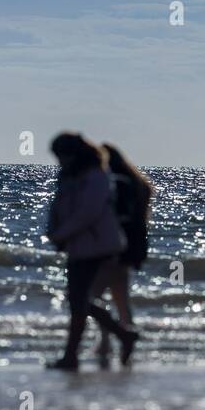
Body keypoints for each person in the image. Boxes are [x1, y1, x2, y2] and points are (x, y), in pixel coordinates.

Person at [44, 133, 126, 371]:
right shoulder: (69, 177)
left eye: (62, 156)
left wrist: (62, 234)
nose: (59, 161)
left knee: (78, 300)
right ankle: (120, 335)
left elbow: (88, 212)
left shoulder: (95, 177)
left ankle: (72, 355)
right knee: (78, 301)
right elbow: (59, 206)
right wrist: (53, 231)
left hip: (97, 246)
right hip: (78, 245)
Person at [96, 142, 153, 367]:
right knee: (121, 298)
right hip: (129, 249)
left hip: (111, 247)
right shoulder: (136, 184)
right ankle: (120, 340)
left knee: (95, 298)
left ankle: (109, 341)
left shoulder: (114, 183)